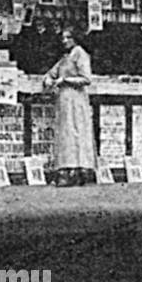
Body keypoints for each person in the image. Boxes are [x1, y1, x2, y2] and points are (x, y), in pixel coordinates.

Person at [43, 27, 96, 187]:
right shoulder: (65, 58)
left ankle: (79, 170)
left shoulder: (80, 54)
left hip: (76, 100)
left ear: (75, 39)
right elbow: (52, 72)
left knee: (77, 133)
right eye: (63, 38)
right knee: (66, 134)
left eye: (68, 38)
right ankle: (66, 169)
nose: (64, 41)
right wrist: (47, 79)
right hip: (64, 101)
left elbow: (86, 78)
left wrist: (65, 80)